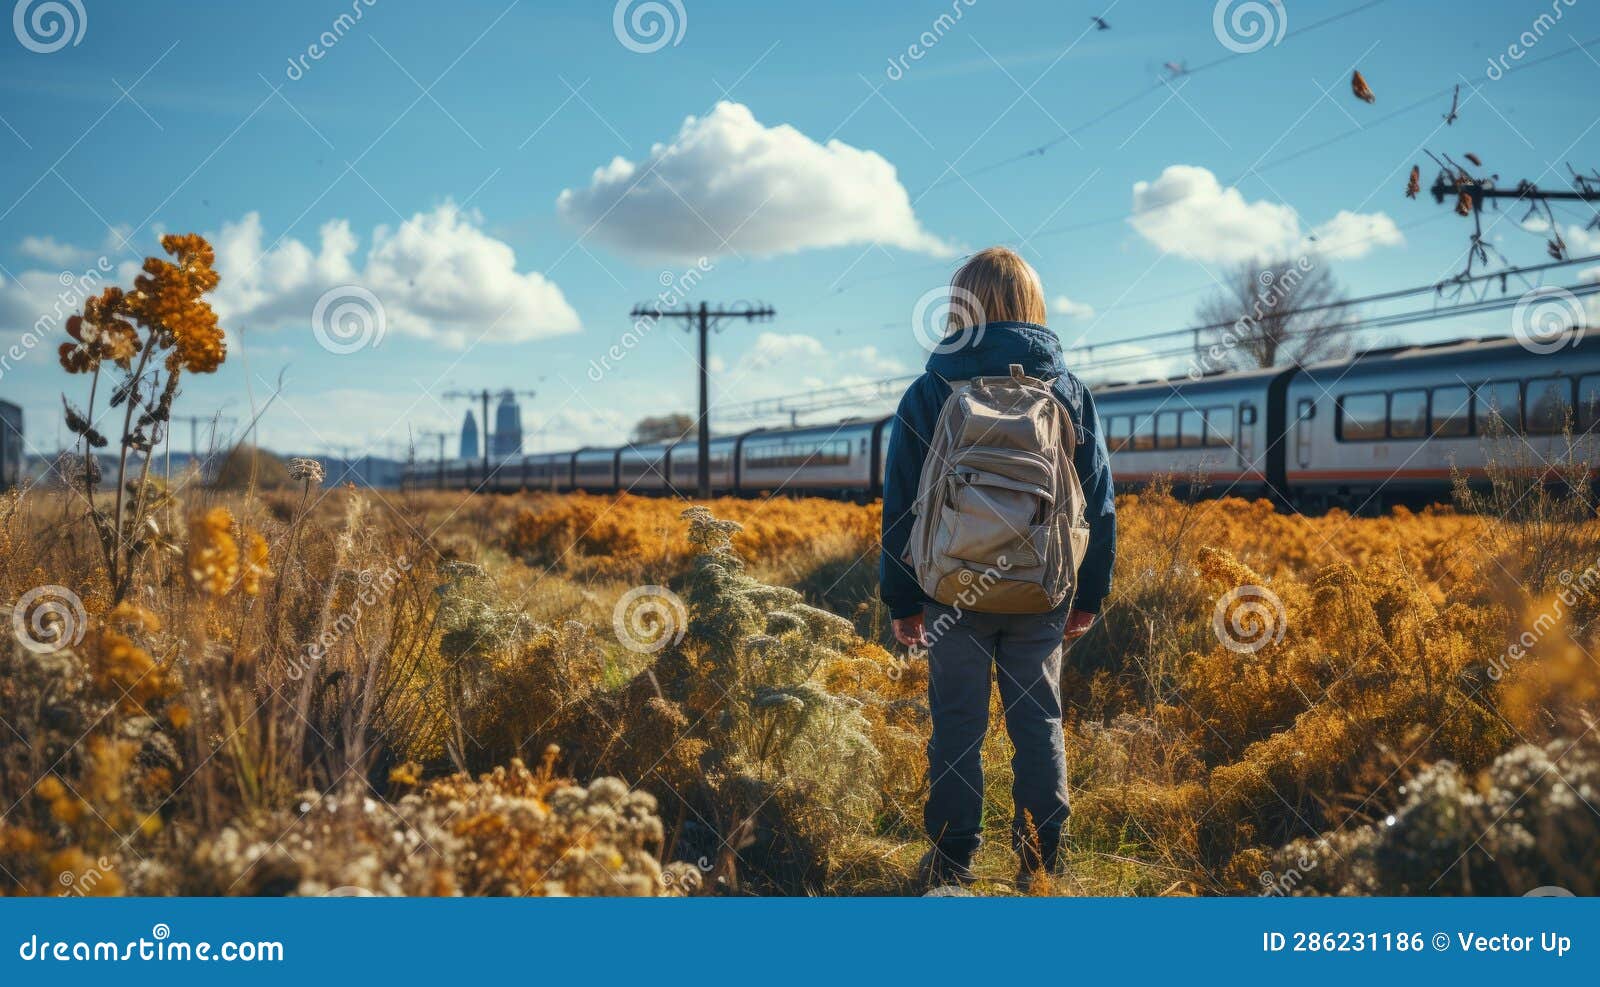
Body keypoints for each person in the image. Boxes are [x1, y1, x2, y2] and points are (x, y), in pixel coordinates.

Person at [879, 247, 1117, 888]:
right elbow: (1097, 501)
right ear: (1034, 306)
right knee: (1038, 720)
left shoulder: (929, 390)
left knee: (956, 722)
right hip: (1042, 587)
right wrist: (1089, 592)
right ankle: (1043, 857)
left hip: (951, 588)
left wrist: (903, 601)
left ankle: (953, 855)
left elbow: (901, 503)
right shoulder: (1067, 391)